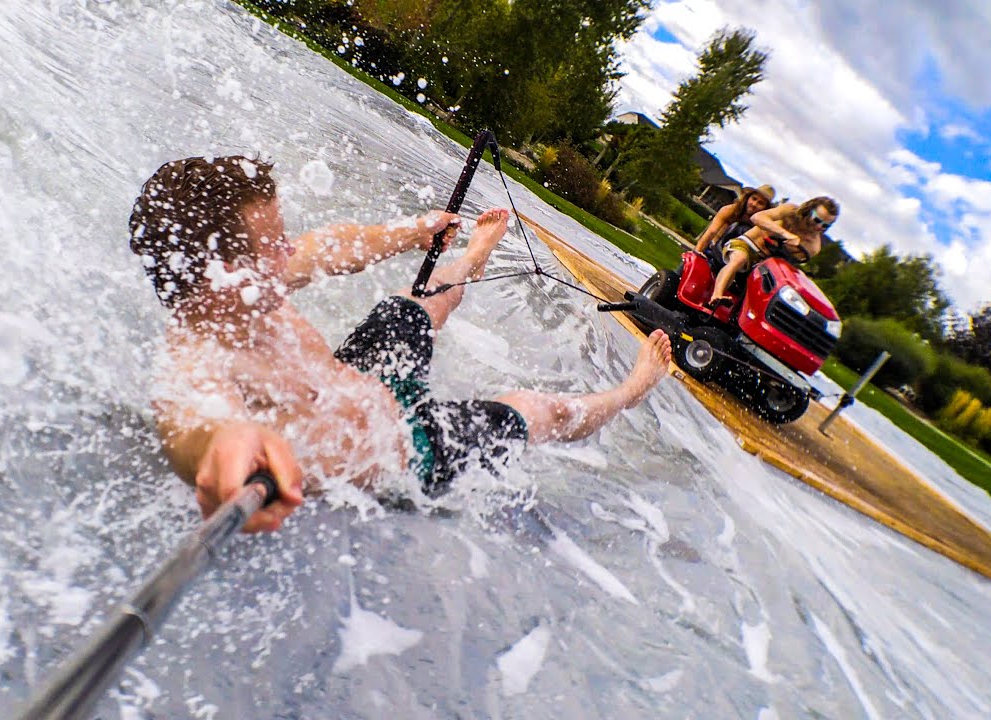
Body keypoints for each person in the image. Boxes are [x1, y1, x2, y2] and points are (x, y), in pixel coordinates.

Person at [129, 155, 673, 532]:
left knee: (422, 298)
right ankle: (632, 389)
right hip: (404, 455)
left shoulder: (254, 285)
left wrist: (416, 230)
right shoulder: (196, 359)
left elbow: (334, 245)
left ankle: (471, 260)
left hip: (366, 384)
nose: (288, 247)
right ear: (221, 273)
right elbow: (194, 425)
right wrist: (223, 444)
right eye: (273, 242)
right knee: (536, 409)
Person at [708, 195, 839, 307]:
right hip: (747, 245)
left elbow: (788, 264)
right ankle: (716, 296)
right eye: (817, 220)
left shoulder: (813, 246)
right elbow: (757, 218)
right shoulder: (790, 211)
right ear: (810, 210)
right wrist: (785, 234)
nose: (818, 226)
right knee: (740, 259)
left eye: (825, 226)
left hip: (766, 266)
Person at [693, 184, 775, 272]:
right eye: (754, 199)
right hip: (713, 250)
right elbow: (711, 232)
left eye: (760, 203)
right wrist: (696, 254)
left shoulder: (761, 226)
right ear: (748, 197)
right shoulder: (730, 210)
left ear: (765, 209)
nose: (754, 204)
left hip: (736, 260)